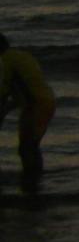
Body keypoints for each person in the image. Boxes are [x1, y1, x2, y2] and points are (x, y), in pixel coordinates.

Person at [0, 33, 56, 197]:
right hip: (46, 101)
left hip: (35, 106)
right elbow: (22, 88)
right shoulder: (23, 55)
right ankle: (34, 180)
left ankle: (32, 183)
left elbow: (3, 91)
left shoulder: (4, 61)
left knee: (27, 147)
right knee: (31, 146)